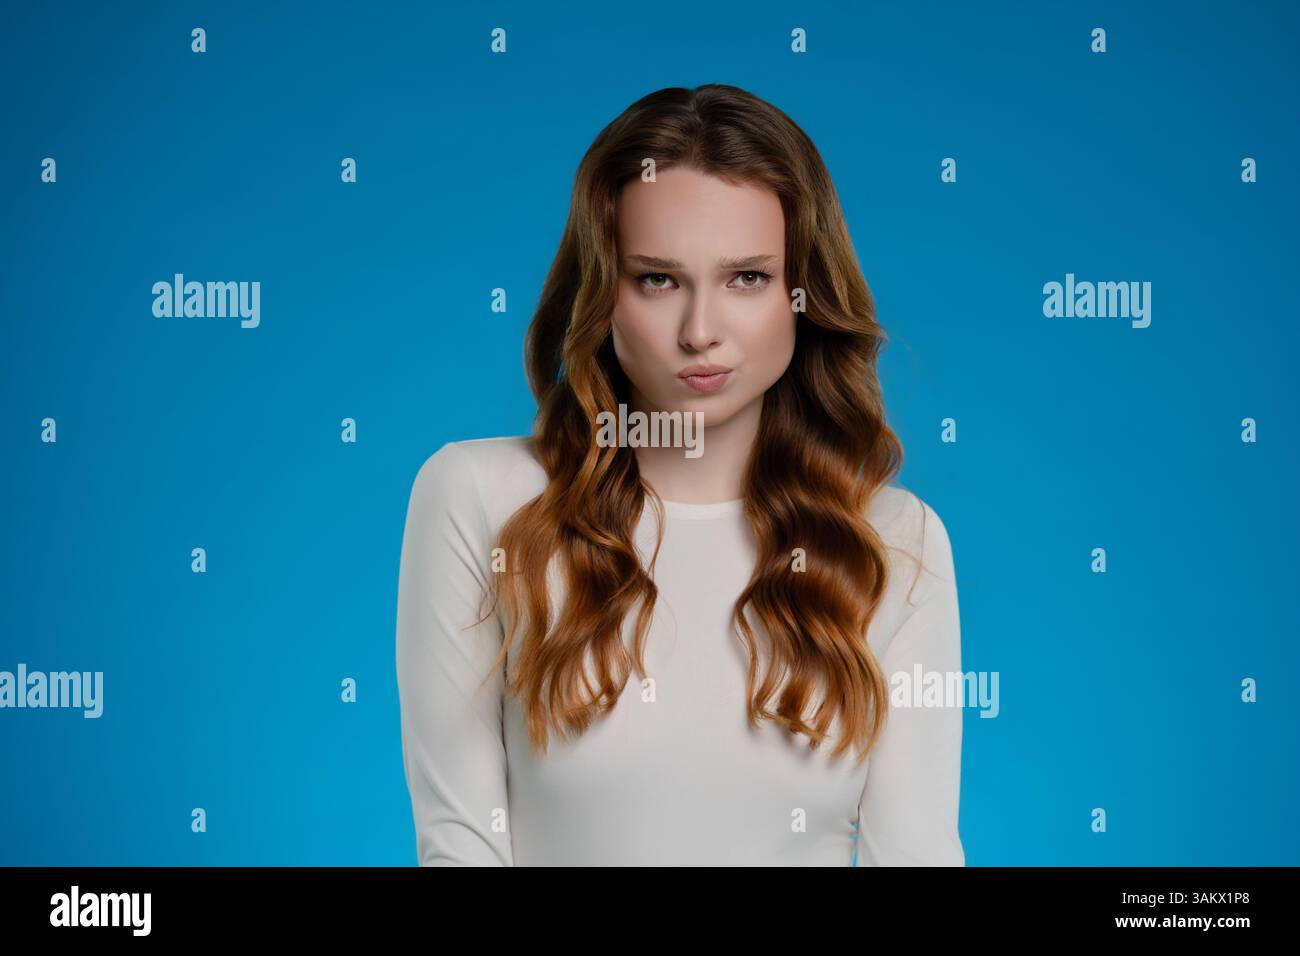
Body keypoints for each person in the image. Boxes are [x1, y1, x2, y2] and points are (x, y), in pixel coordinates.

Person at [396, 83, 965, 866]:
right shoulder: (479, 497)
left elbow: (919, 856)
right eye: (658, 279)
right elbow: (460, 845)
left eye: (748, 279)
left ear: (803, 296)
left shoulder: (897, 543)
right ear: (603, 292)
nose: (701, 333)